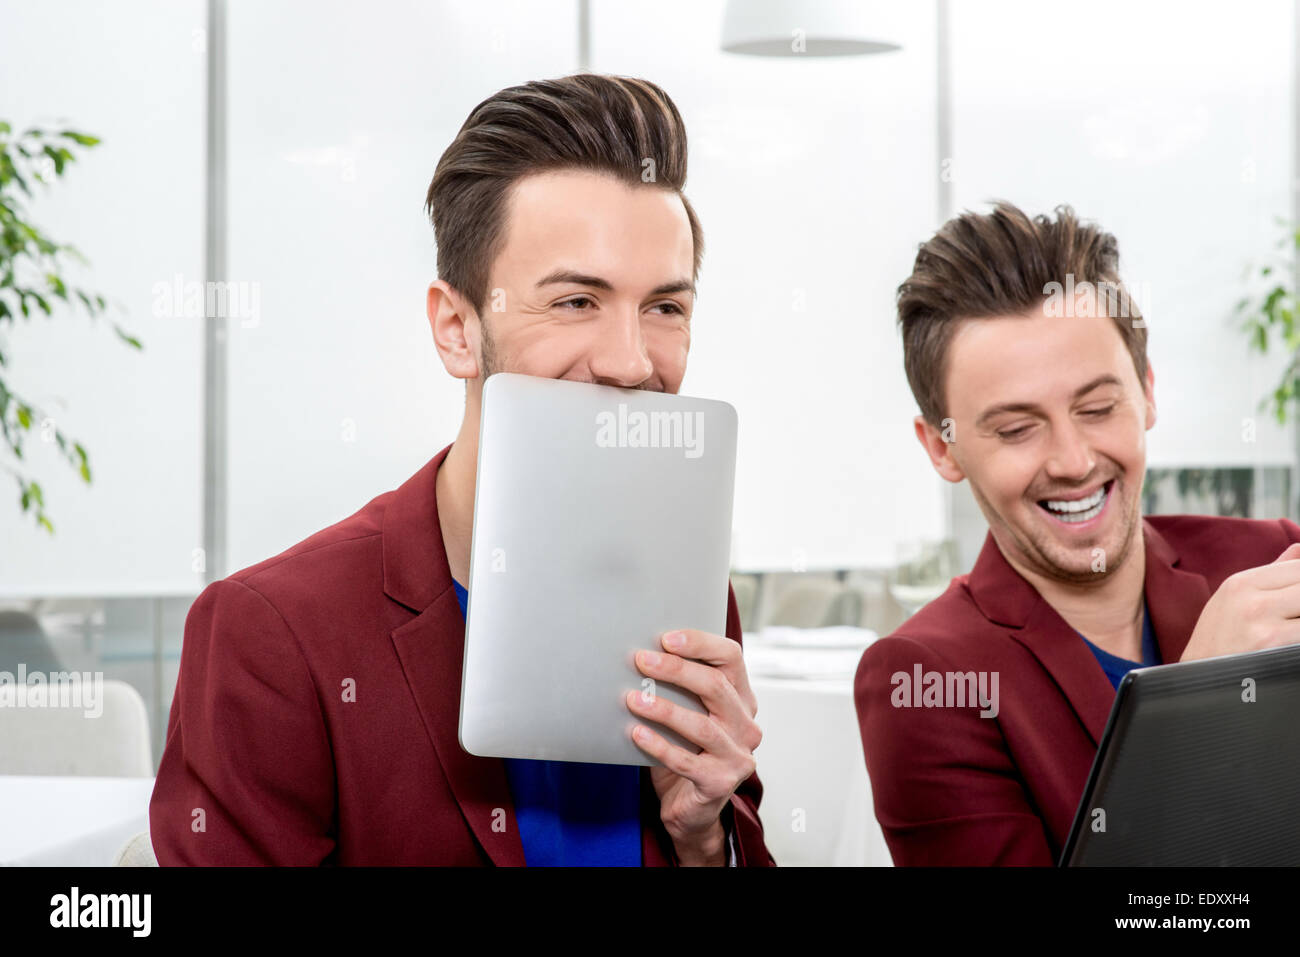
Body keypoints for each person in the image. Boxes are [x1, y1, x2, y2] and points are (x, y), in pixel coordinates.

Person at [151, 74, 772, 866]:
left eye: (665, 307)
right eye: (578, 301)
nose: (631, 362)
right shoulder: (271, 635)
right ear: (455, 328)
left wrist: (705, 840)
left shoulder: (688, 602)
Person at [855, 201, 1300, 865]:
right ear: (941, 448)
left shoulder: (1270, 559)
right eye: (1015, 429)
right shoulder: (923, 680)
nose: (1072, 460)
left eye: (1097, 408)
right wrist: (1199, 706)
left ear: (1147, 392)